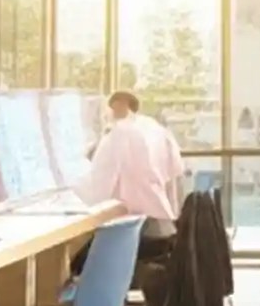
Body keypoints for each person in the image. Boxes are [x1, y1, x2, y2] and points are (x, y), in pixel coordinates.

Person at [73, 90, 185, 276]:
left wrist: (72, 195)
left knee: (78, 261)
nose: (109, 114)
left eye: (110, 108)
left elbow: (99, 185)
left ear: (120, 105)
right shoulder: (156, 129)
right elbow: (176, 172)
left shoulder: (121, 133)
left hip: (138, 233)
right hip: (163, 227)